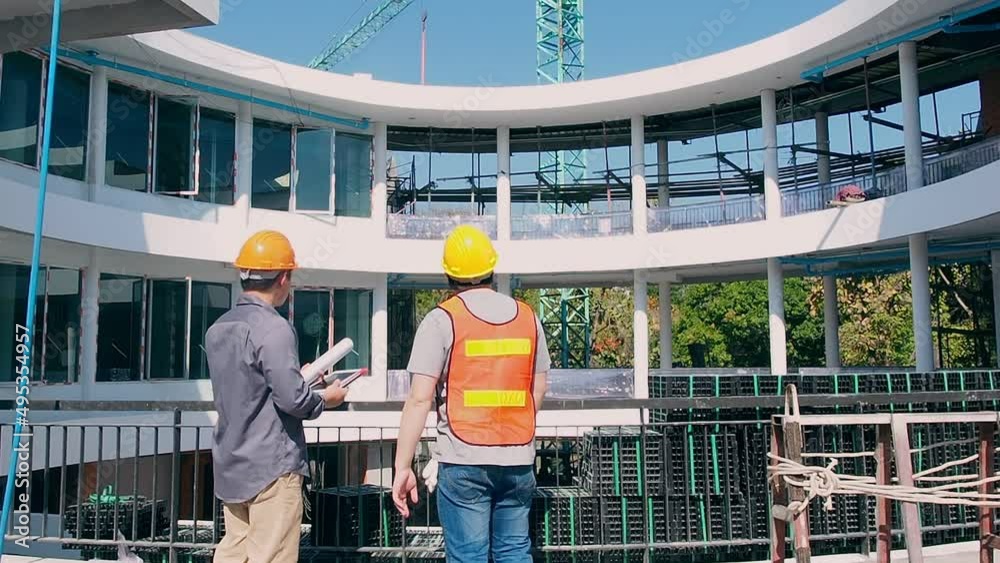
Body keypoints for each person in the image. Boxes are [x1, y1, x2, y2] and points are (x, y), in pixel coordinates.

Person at [392, 224, 550, 562]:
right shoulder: (528, 318)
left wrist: (402, 467)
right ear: (492, 267)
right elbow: (537, 388)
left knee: (468, 556)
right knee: (514, 552)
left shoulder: (441, 320)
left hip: (464, 458)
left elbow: (419, 399)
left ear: (448, 274)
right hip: (518, 458)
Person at [207, 230, 347, 563]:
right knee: (271, 555)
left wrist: (297, 376)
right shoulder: (274, 328)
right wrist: (326, 398)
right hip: (271, 466)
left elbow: (251, 386)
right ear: (283, 278)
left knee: (234, 553)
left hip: (231, 463)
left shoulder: (218, 329)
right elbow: (293, 401)